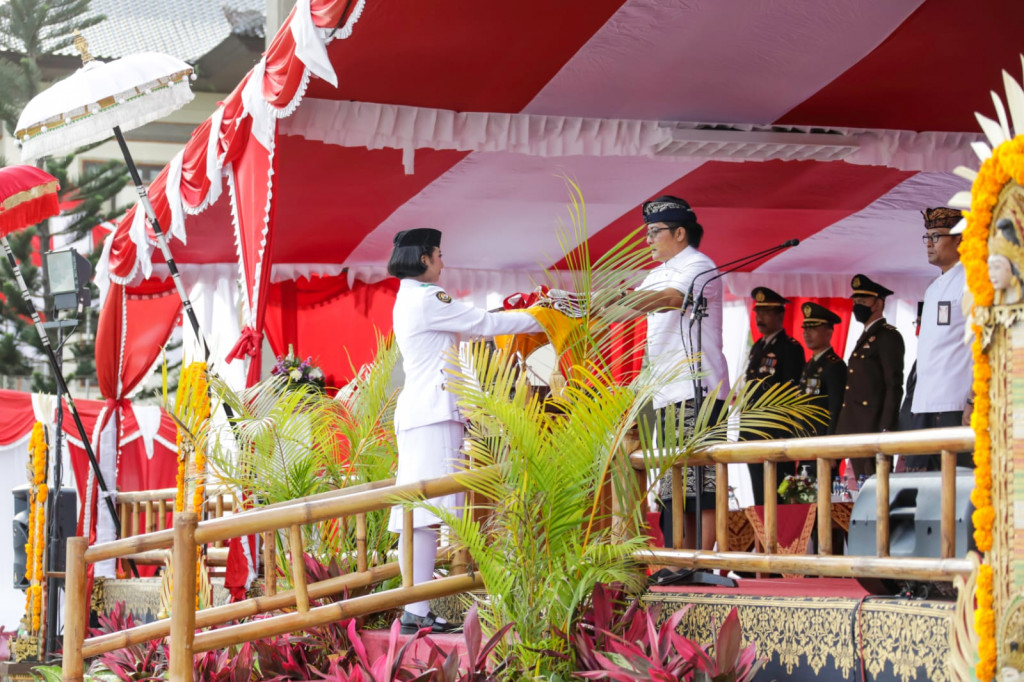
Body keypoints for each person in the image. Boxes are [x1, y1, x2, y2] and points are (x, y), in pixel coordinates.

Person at [387, 228, 543, 634]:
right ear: (423, 258)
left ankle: (414, 609)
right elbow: (482, 323)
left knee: (421, 514)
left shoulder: (411, 297)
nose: (443, 261)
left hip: (426, 412)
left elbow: (471, 323)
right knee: (424, 513)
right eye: (438, 254)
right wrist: (543, 317)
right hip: (431, 414)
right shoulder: (426, 298)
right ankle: (414, 610)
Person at [618, 195, 730, 551]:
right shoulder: (656, 273)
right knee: (674, 485)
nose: (648, 240)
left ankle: (700, 561)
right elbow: (634, 307)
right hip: (666, 391)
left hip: (699, 387)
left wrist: (616, 296)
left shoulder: (699, 265)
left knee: (703, 484)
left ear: (680, 233)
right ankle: (679, 558)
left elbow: (668, 298)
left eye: (655, 232)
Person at [902, 208, 974, 471]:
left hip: (955, 405)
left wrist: (973, 400)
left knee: (956, 489)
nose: (929, 243)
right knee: (927, 492)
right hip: (925, 406)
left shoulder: (973, 281)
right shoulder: (933, 288)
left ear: (959, 239)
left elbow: (983, 346)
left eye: (936, 236)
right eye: (927, 237)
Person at [835, 274, 905, 478]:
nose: (857, 306)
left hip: (874, 425)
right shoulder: (865, 336)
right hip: (857, 426)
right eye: (856, 302)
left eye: (863, 301)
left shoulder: (888, 336)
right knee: (861, 487)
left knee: (876, 485)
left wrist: (887, 427)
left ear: (878, 303)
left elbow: (894, 384)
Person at [742, 287, 805, 503]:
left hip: (776, 433)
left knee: (779, 498)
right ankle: (763, 537)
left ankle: (782, 538)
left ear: (780, 314)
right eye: (757, 312)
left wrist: (786, 431)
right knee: (759, 496)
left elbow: (792, 394)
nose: (759, 317)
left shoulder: (790, 348)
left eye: (766, 312)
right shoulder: (758, 347)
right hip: (754, 433)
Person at [798, 302, 846, 436]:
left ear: (829, 332)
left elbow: (835, 409)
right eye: (805, 329)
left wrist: (830, 445)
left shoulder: (835, 366)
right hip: (804, 438)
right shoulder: (810, 364)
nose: (806, 333)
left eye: (812, 329)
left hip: (820, 440)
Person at [988, 217, 1024, 305]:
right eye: (989, 268)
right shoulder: (992, 299)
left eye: (997, 267)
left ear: (1014, 266)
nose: (992, 274)